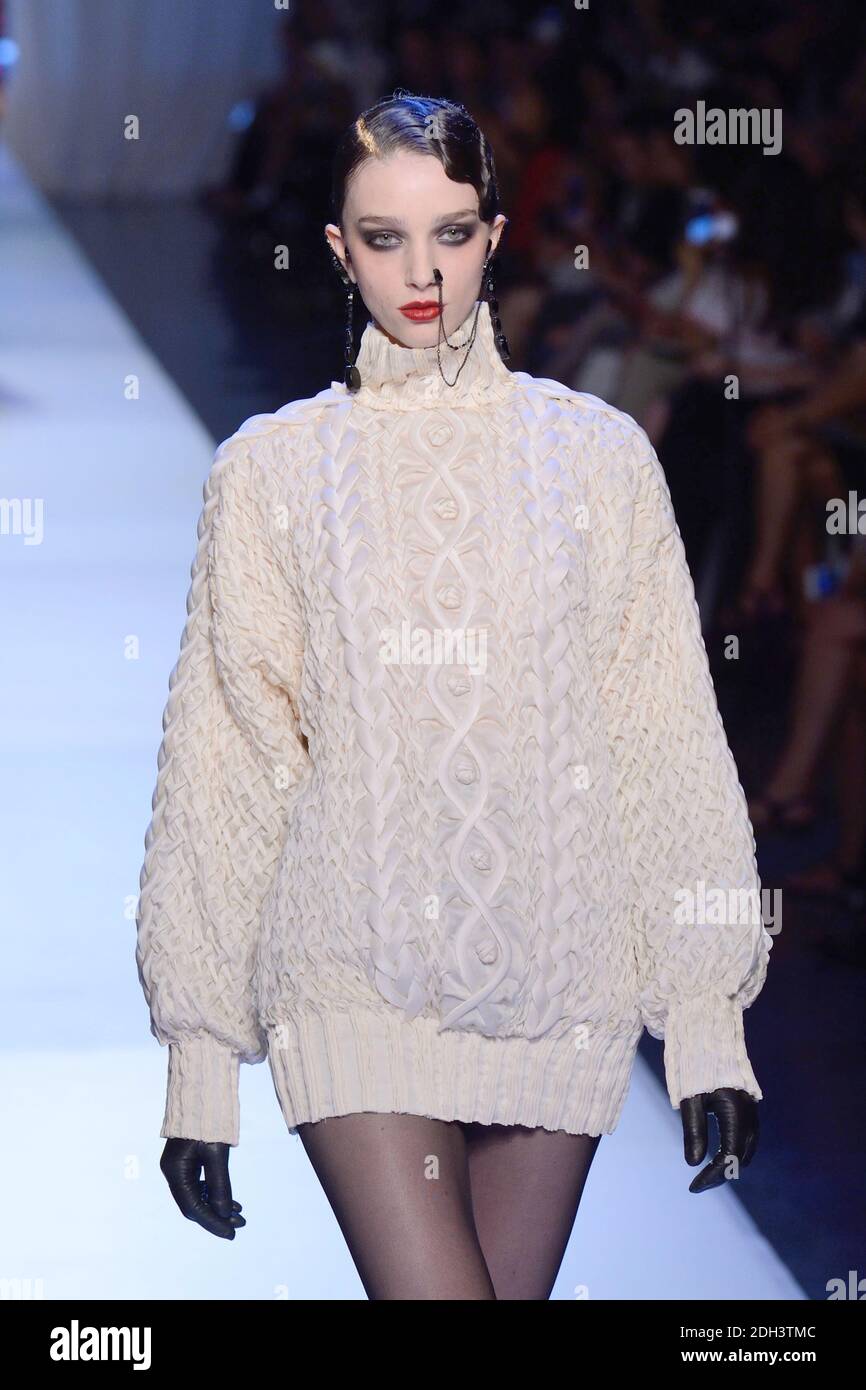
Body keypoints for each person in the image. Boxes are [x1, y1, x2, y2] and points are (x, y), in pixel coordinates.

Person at [134, 93, 773, 1300]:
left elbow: (660, 735)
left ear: (494, 234)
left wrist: (702, 1018)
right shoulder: (271, 474)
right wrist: (201, 1062)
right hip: (350, 970)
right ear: (336, 247)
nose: (420, 271)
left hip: (561, 976)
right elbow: (227, 767)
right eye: (383, 238)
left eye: (453, 231)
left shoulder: (596, 458)